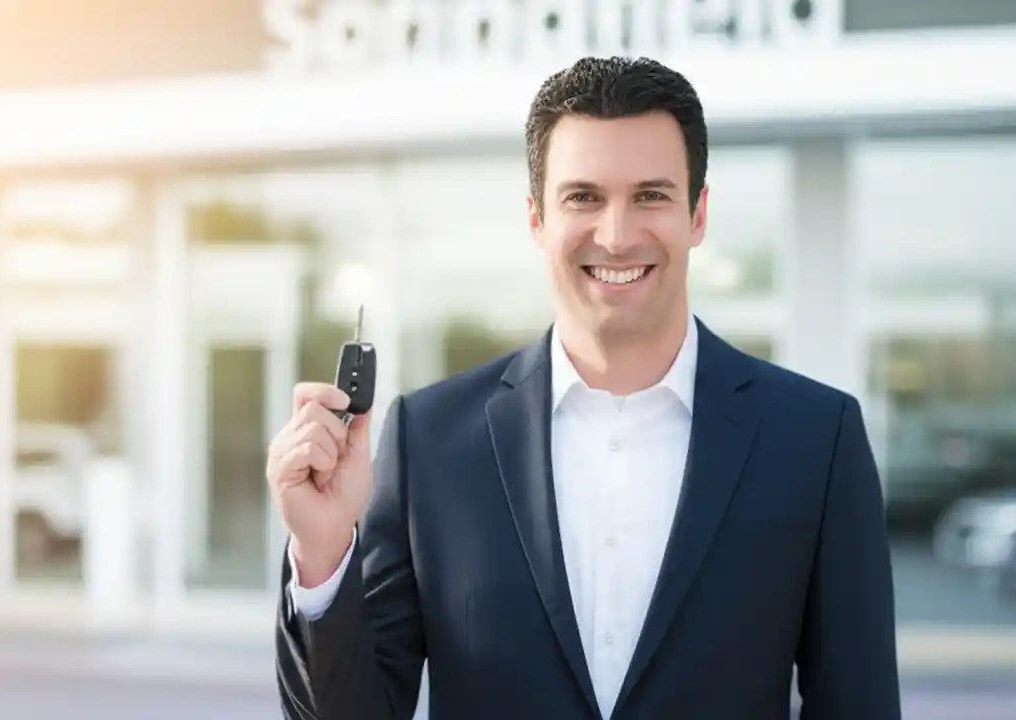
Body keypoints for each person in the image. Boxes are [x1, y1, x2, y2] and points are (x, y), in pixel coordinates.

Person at [267, 56, 900, 720]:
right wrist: (322, 552)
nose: (617, 235)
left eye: (651, 195)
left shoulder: (814, 440)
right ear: (537, 217)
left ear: (698, 214)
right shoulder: (430, 442)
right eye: (584, 197)